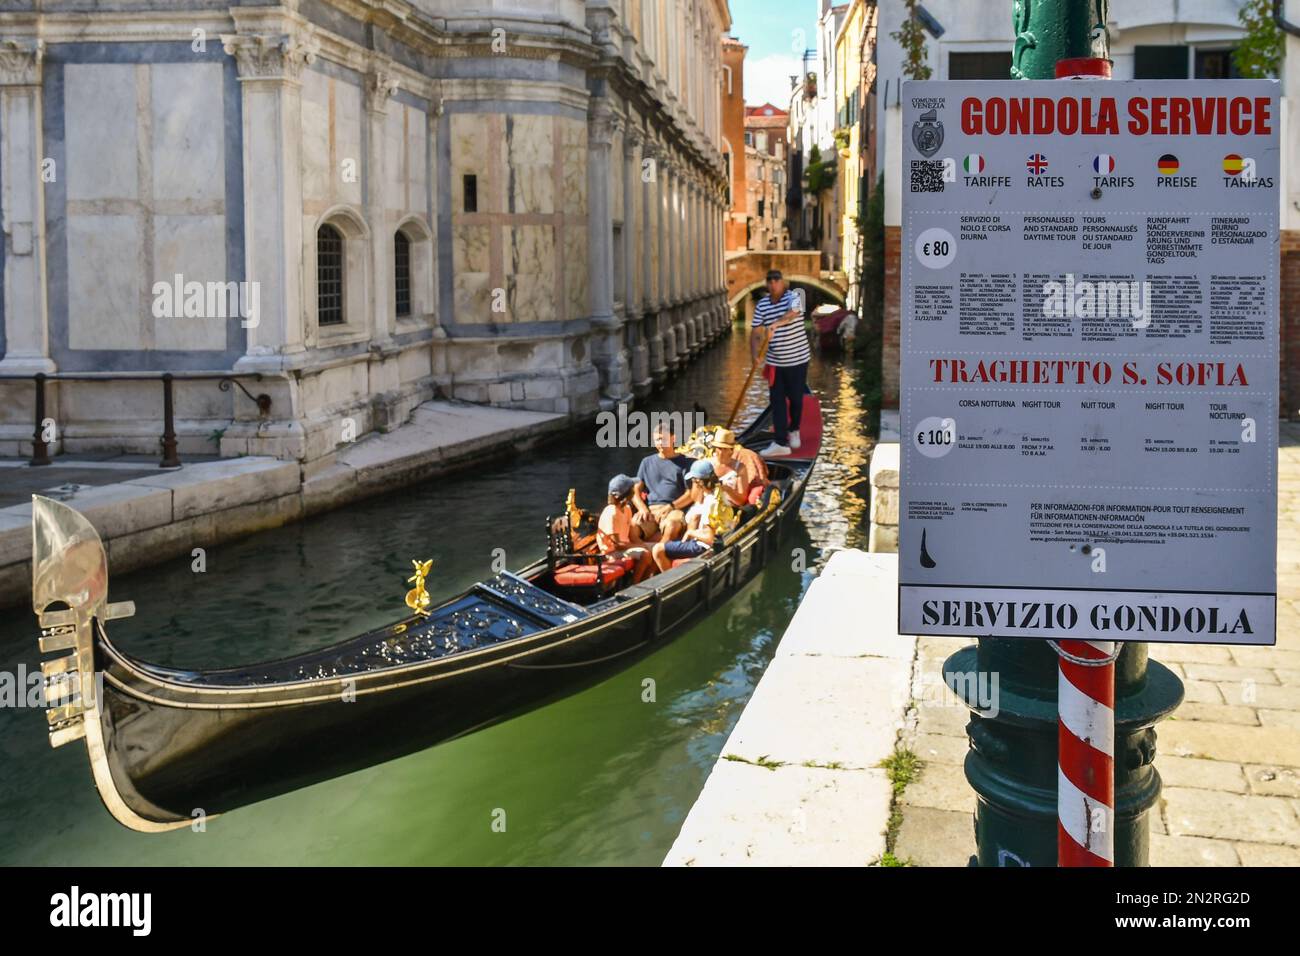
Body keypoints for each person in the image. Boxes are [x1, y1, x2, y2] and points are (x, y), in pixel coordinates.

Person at [751, 269, 811, 458]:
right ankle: (780, 442)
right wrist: (754, 355)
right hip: (775, 363)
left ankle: (794, 429)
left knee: (795, 398)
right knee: (776, 402)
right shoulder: (762, 305)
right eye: (770, 280)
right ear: (767, 284)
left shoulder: (795, 296)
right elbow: (755, 332)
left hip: (798, 359)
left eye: (776, 280)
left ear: (783, 282)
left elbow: (793, 313)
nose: (773, 283)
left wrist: (776, 324)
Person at [652, 459, 722, 571]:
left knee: (658, 549)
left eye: (693, 481)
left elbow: (710, 538)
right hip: (700, 542)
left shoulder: (711, 503)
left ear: (699, 482)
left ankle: (670, 582)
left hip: (702, 546)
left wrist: (691, 532)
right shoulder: (714, 495)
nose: (692, 484)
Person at [632, 423, 693, 542]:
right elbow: (635, 490)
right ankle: (645, 553)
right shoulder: (646, 462)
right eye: (657, 440)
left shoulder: (686, 463)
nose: (660, 443)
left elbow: (690, 494)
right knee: (633, 526)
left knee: (672, 526)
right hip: (650, 510)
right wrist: (642, 508)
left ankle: (660, 551)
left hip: (675, 509)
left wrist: (671, 506)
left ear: (673, 438)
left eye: (663, 439)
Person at [597, 474, 654, 583]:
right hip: (611, 553)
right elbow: (616, 545)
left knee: (656, 549)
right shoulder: (611, 512)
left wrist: (643, 544)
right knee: (645, 554)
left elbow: (631, 535)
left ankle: (646, 580)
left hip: (625, 547)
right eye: (632, 489)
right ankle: (635, 584)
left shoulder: (627, 509)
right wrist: (640, 546)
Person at [709, 426, 767, 508]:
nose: (721, 453)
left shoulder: (740, 468)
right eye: (719, 448)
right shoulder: (708, 464)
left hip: (727, 509)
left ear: (731, 450)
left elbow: (742, 501)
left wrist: (727, 489)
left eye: (725, 449)